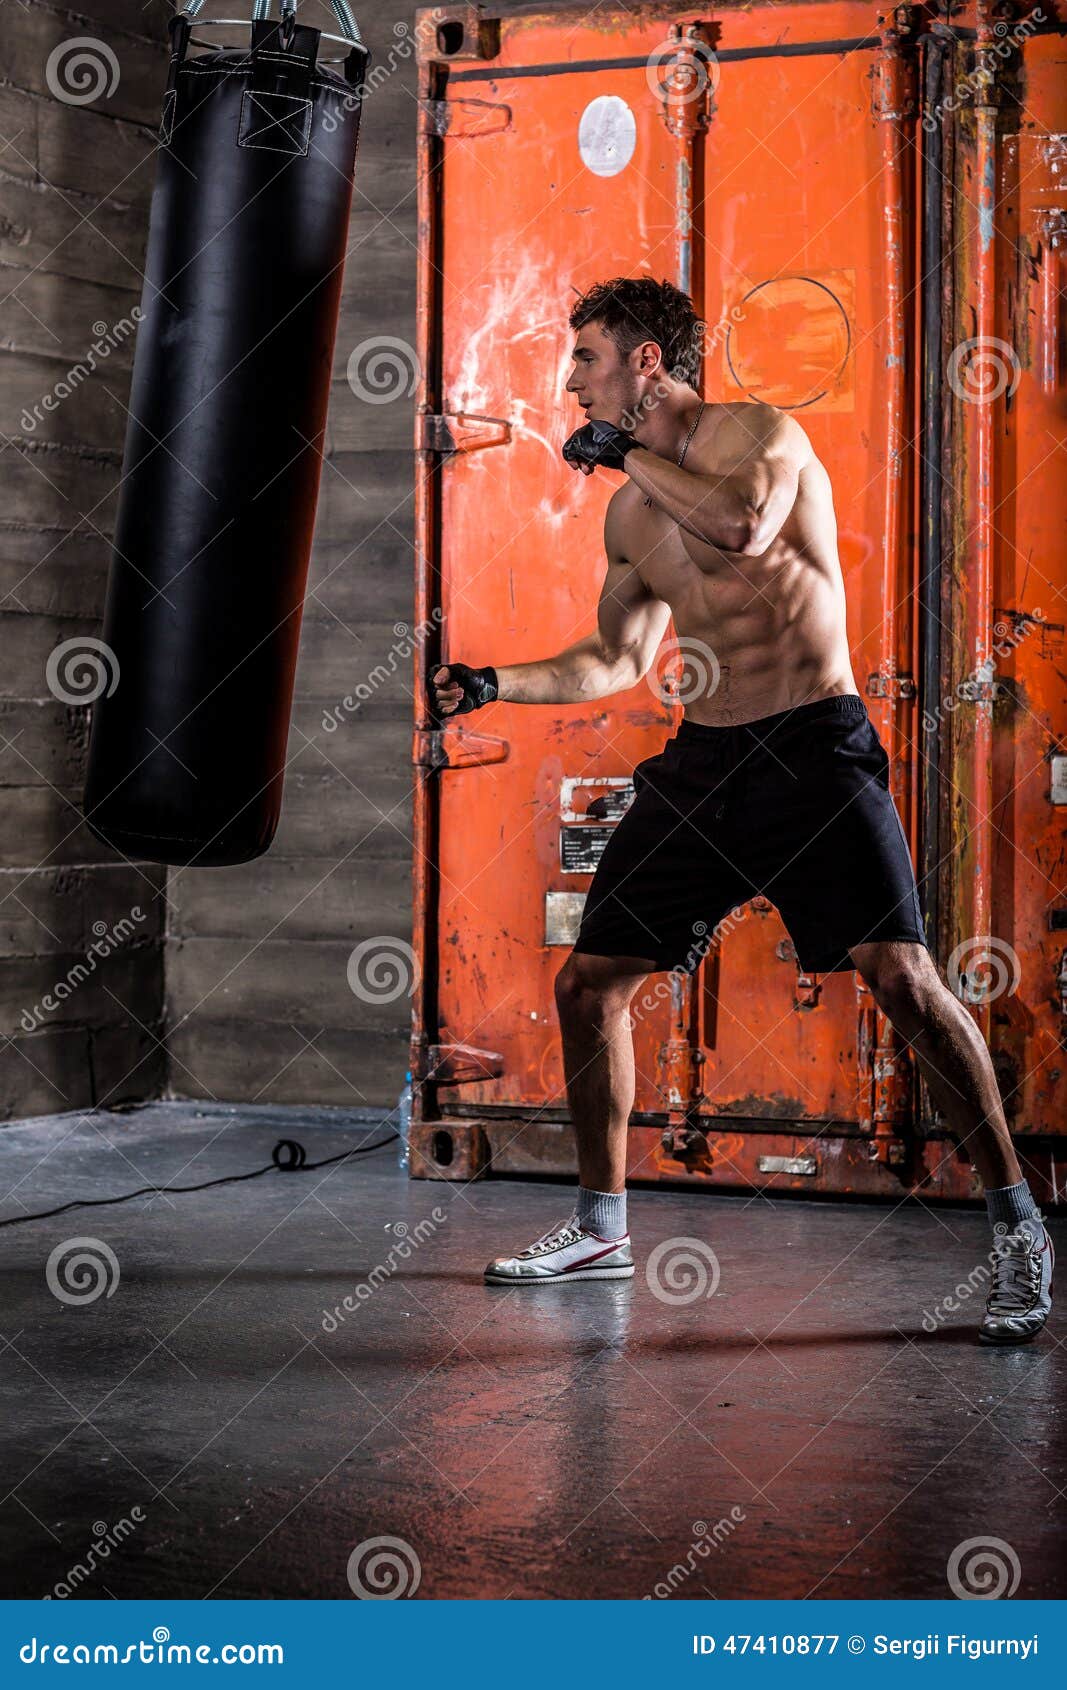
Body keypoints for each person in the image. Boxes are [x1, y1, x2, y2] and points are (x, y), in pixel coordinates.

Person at [429, 275, 1053, 1347]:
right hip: (707, 762)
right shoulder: (630, 513)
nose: (569, 381)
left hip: (814, 748)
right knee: (587, 983)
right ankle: (598, 1226)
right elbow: (613, 658)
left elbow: (742, 526)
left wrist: (624, 453)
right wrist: (495, 684)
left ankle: (1014, 1226)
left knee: (901, 978)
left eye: (584, 359)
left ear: (644, 364)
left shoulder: (754, 434)